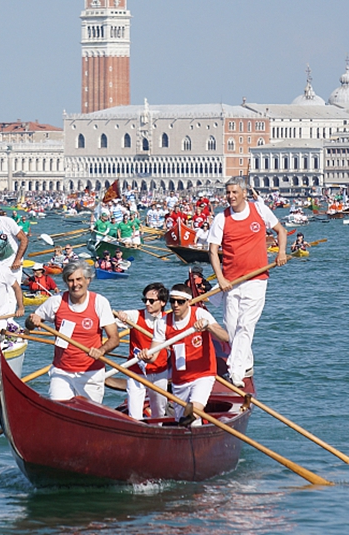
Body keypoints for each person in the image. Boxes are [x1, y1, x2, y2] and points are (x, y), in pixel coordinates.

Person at [206, 177, 287, 390]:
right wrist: (221, 279)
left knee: (246, 325)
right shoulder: (221, 219)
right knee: (232, 329)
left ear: (243, 193)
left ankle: (236, 371)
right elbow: (213, 251)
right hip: (231, 282)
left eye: (234, 192)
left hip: (257, 280)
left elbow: (281, 231)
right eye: (228, 193)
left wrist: (281, 253)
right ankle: (247, 363)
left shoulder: (259, 210)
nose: (230, 196)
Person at [26, 261, 118, 403]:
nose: (75, 284)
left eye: (79, 279)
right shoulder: (56, 301)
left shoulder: (100, 302)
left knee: (88, 418)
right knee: (59, 412)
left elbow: (114, 339)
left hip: (91, 373)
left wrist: (101, 350)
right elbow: (29, 325)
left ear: (88, 280)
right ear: (65, 282)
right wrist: (32, 320)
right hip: (61, 372)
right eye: (70, 280)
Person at [144, 284, 230, 425]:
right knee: (183, 423)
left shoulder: (199, 314)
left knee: (193, 411)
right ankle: (190, 424)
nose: (175, 305)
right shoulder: (163, 322)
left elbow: (224, 337)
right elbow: (153, 355)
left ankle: (193, 415)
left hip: (203, 374)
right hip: (180, 380)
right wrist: (146, 356)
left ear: (188, 302)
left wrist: (208, 326)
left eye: (180, 302)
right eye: (172, 301)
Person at [116, 282, 170, 420]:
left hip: (159, 371)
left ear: (163, 303)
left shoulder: (167, 321)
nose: (147, 303)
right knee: (134, 415)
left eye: (151, 301)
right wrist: (121, 315)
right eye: (144, 300)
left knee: (158, 413)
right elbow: (117, 318)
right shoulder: (135, 316)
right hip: (136, 372)